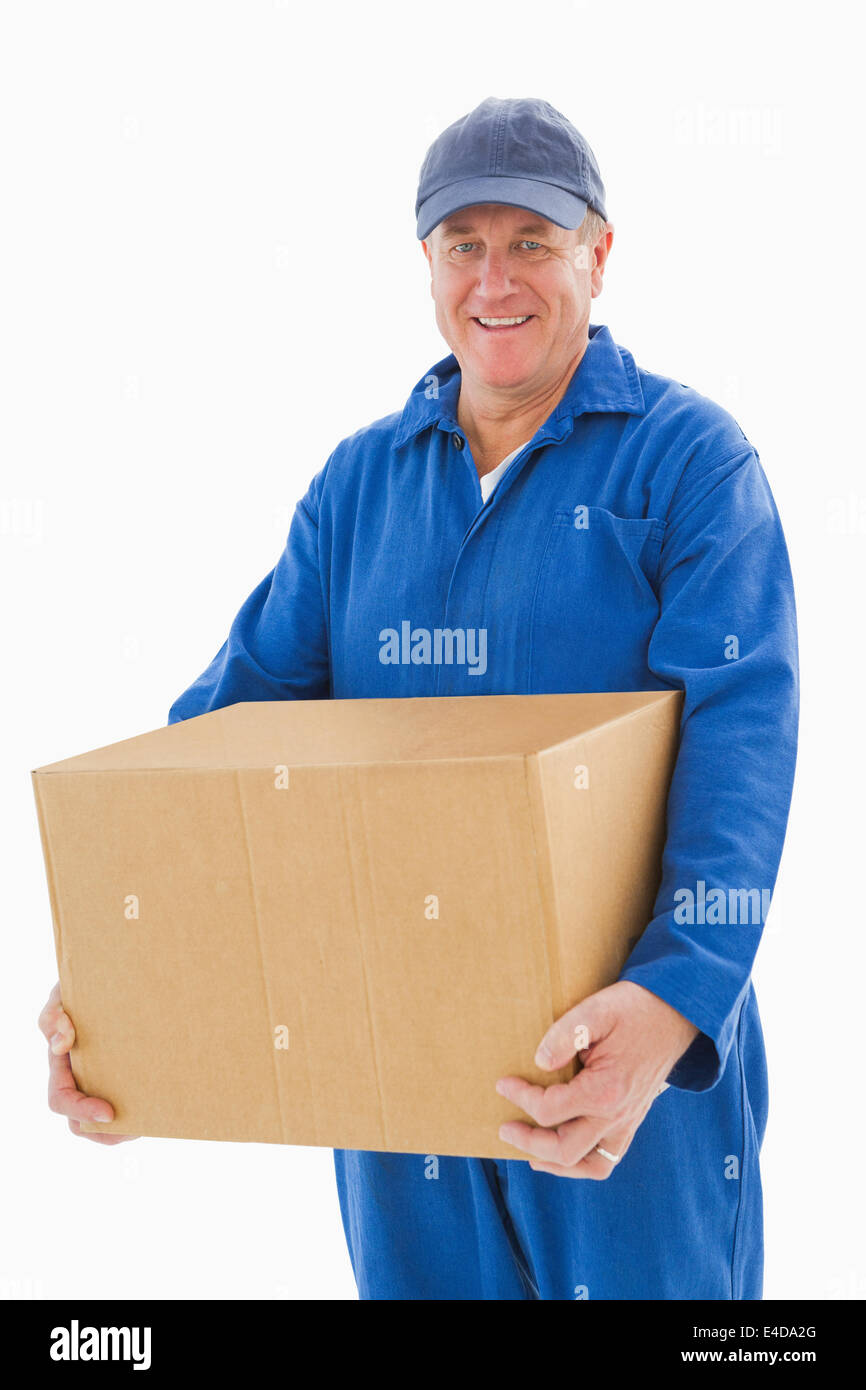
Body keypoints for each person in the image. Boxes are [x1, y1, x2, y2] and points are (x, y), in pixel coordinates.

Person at [39, 96, 799, 1300]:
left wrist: (669, 1003)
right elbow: (228, 740)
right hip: (393, 1065)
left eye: (532, 243)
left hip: (620, 1071)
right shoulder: (359, 486)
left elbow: (741, 747)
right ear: (426, 264)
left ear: (598, 256)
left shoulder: (688, 464)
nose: (494, 278)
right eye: (462, 245)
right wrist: (135, 975)